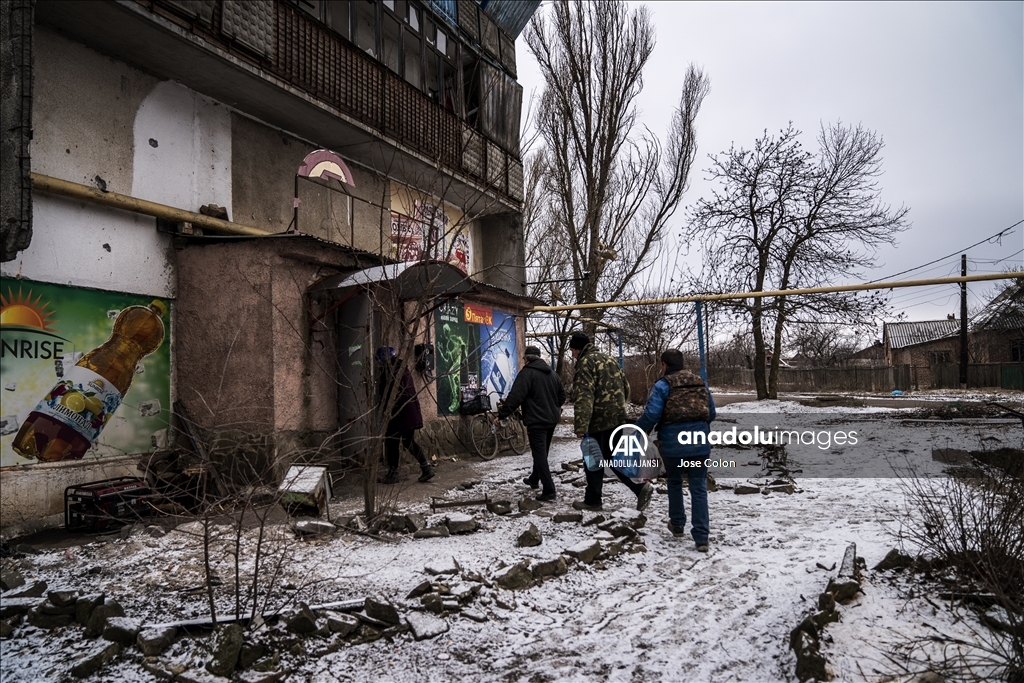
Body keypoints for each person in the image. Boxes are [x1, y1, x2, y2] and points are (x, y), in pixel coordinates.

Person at [634, 349, 716, 552]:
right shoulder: (700, 382)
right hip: (700, 443)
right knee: (698, 487)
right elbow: (711, 413)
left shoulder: (663, 385)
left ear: (664, 365)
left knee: (675, 482)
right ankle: (702, 537)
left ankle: (677, 524)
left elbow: (652, 413)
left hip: (673, 445)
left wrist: (638, 431)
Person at [568, 332, 653, 512]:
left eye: (573, 351)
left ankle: (593, 500)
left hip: (597, 421)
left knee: (592, 460)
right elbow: (626, 387)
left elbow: (584, 396)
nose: (573, 355)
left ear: (576, 349)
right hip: (616, 419)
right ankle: (638, 488)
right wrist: (618, 409)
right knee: (612, 458)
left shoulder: (585, 363)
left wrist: (581, 425)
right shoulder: (609, 360)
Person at [496, 345, 566, 502]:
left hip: (537, 421)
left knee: (539, 454)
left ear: (527, 359)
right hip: (551, 420)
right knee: (542, 451)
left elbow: (515, 397)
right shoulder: (553, 374)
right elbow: (562, 396)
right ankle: (534, 479)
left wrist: (502, 414)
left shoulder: (526, 374)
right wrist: (553, 407)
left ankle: (549, 490)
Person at [377, 347, 434, 485]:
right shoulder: (402, 369)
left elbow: (385, 395)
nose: (378, 364)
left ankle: (393, 473)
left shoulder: (389, 371)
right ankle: (426, 467)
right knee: (408, 442)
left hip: (398, 414)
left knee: (392, 442)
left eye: (379, 361)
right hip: (410, 412)